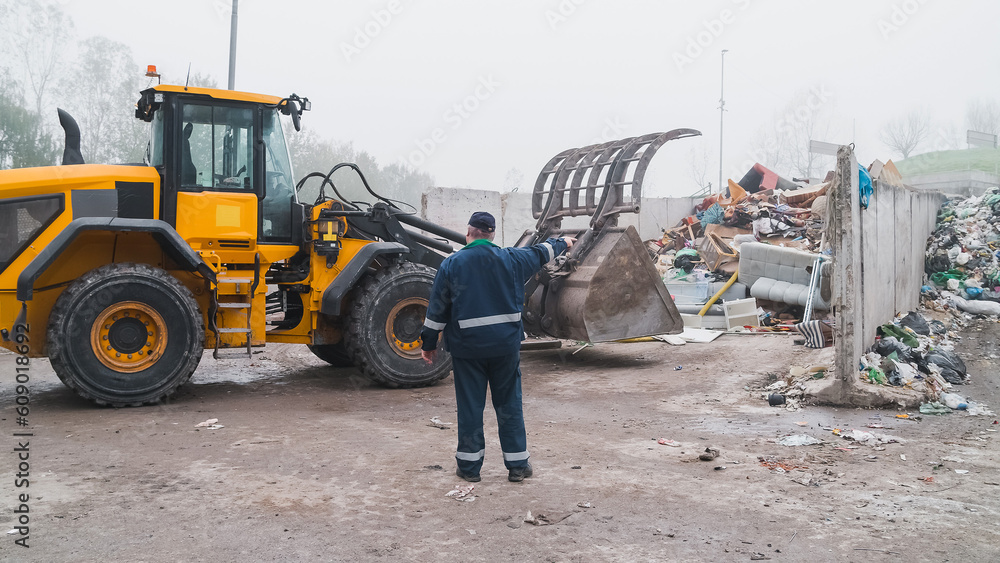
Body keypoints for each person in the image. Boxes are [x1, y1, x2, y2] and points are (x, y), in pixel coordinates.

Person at [420, 211, 574, 483]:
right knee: (509, 405)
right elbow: (542, 252)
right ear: (492, 235)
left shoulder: (452, 264)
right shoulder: (512, 259)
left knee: (470, 407)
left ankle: (469, 469)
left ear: (469, 234)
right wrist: (565, 242)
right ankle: (517, 467)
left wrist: (428, 345)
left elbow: (436, 311)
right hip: (505, 348)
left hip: (468, 351)